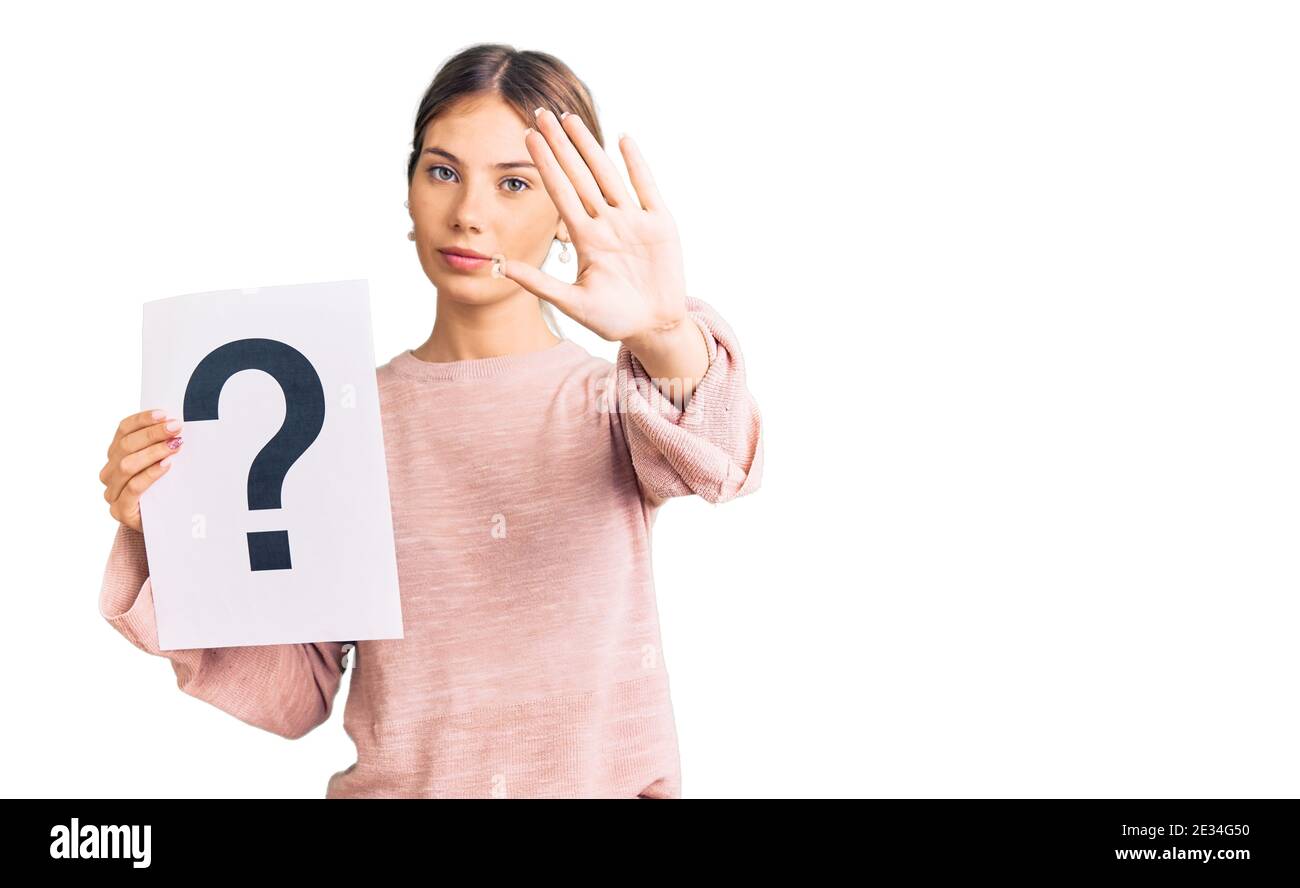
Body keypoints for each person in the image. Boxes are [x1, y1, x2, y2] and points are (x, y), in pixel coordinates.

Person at [97, 43, 763, 798]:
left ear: (566, 215)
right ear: (410, 192)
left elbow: (718, 457)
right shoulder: (338, 417)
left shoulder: (616, 399)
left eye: (515, 183)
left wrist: (664, 332)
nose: (469, 213)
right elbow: (297, 693)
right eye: (442, 171)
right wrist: (172, 534)